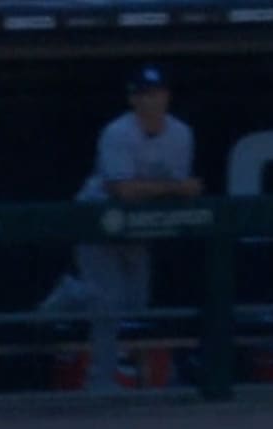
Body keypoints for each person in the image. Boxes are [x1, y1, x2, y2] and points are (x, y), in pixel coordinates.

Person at [40, 64, 203, 392]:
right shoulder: (117, 132)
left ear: (167, 96)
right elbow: (122, 190)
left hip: (137, 225)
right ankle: (100, 380)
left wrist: (166, 189)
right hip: (96, 217)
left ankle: (74, 293)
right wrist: (171, 188)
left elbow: (179, 191)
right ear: (132, 99)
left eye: (156, 93)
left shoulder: (181, 133)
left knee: (136, 305)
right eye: (143, 94)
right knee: (109, 306)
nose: (151, 101)